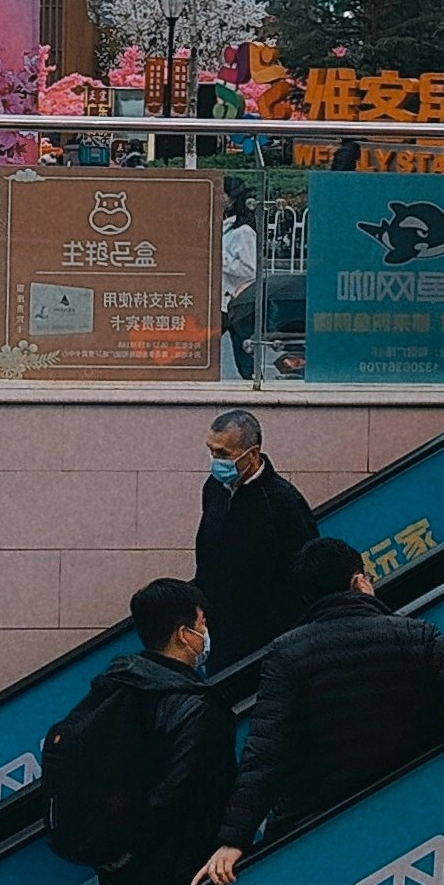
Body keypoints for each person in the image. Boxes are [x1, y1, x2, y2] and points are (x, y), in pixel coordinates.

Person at [195, 535, 444, 882]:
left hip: (331, 829)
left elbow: (265, 753)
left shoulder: (286, 654)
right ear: (358, 581)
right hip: (425, 805)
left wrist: (234, 838)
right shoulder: (415, 635)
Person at [93, 580, 238, 885]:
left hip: (121, 873)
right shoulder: (197, 707)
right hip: (185, 876)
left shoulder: (114, 688)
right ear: (183, 634)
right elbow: (191, 792)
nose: (205, 634)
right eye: (202, 625)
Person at [192, 411, 316, 663]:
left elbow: (301, 580)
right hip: (218, 631)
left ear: (252, 454)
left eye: (223, 454)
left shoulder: (284, 504)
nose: (215, 460)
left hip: (263, 643)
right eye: (211, 451)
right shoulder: (214, 488)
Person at [220, 191, 261, 376]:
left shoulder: (243, 231)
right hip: (222, 300)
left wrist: (220, 258)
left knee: (244, 357)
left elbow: (249, 269)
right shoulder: (226, 227)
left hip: (236, 300)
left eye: (223, 193)